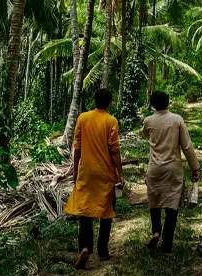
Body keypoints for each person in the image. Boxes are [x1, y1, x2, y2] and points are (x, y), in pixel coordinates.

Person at [65, 87, 124, 269]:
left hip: (86, 172)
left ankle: (85, 247)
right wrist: (120, 173)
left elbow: (77, 148)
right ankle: (103, 250)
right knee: (106, 210)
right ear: (109, 103)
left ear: (94, 100)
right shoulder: (111, 121)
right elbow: (114, 150)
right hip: (105, 173)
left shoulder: (83, 118)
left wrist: (75, 170)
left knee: (85, 211)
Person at [140, 90, 199, 257]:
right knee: (172, 206)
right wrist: (195, 167)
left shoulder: (149, 120)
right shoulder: (177, 119)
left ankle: (156, 232)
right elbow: (186, 146)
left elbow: (143, 133)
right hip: (173, 168)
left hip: (155, 168)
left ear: (152, 105)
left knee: (155, 201)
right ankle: (167, 246)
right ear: (168, 103)